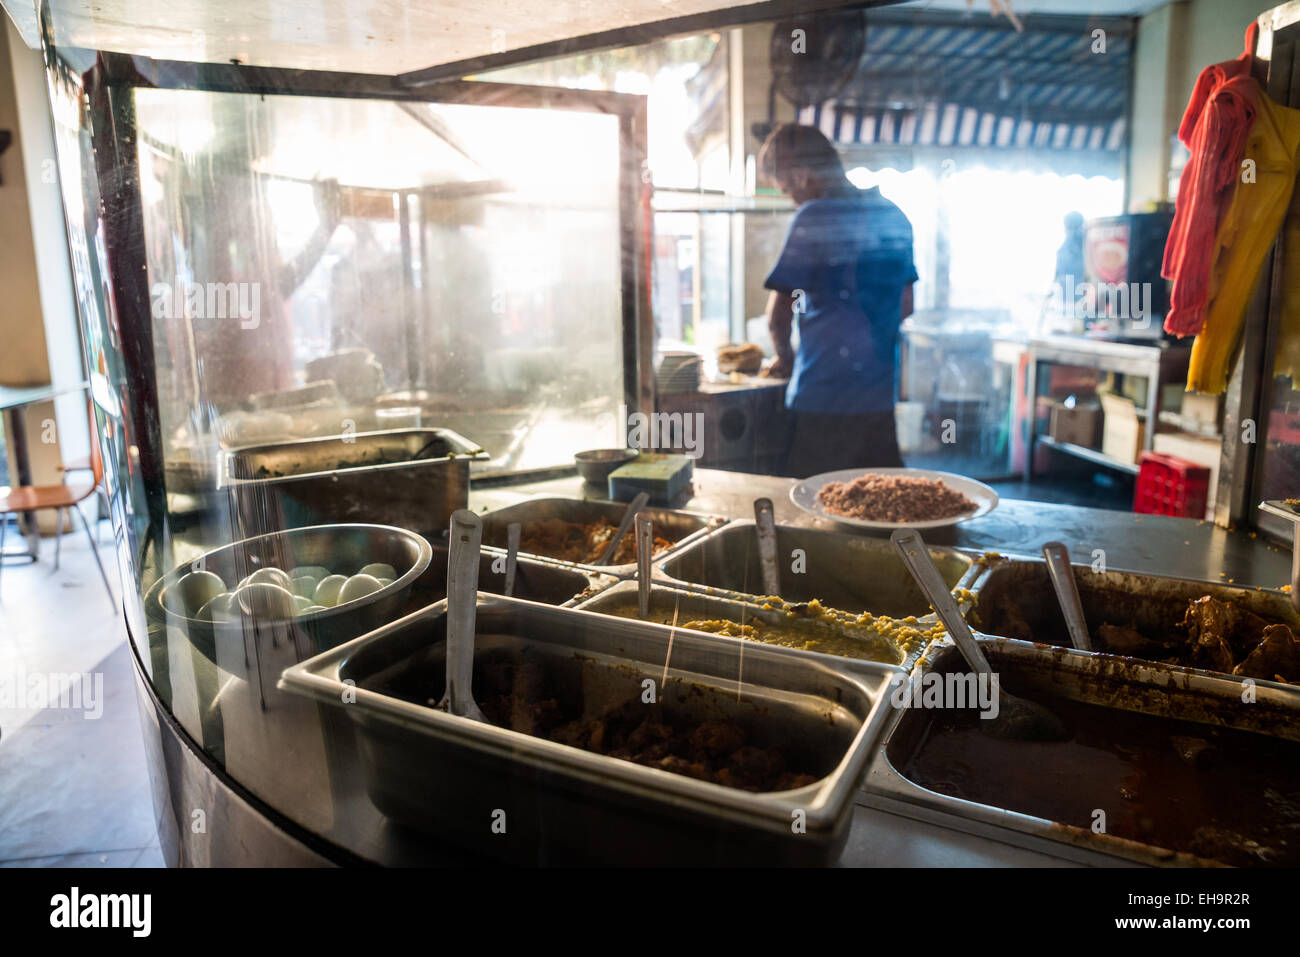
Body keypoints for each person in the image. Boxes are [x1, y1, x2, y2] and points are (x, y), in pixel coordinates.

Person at [758, 123, 918, 477]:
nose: (792, 199)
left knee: (813, 512)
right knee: (883, 511)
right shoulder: (892, 214)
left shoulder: (814, 217)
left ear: (801, 175)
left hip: (822, 404)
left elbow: (779, 315)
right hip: (878, 404)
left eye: (786, 188)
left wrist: (786, 357)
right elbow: (907, 305)